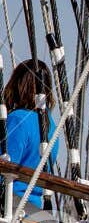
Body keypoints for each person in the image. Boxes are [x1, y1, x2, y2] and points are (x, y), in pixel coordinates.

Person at [3, 59, 58, 208]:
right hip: (34, 208)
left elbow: (4, 168)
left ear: (19, 85)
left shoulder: (17, 119)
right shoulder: (51, 125)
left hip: (11, 205)